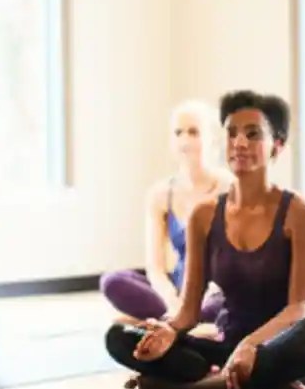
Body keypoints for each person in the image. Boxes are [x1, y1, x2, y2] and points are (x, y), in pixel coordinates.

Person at [104, 90, 305, 389]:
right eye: (232, 133)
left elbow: (299, 308)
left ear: (276, 147)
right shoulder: (204, 215)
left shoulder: (298, 212)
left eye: (252, 135)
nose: (239, 143)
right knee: (119, 336)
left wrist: (251, 346)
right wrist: (167, 331)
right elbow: (189, 311)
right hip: (225, 349)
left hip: (275, 352)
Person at [99, 100, 231, 328]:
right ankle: (184, 326)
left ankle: (161, 326)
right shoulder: (160, 194)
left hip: (218, 291)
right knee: (113, 281)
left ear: (211, 139)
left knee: (238, 300)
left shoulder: (230, 187)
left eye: (193, 132)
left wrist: (207, 296)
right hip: (179, 291)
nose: (184, 140)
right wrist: (172, 300)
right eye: (178, 133)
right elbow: (156, 268)